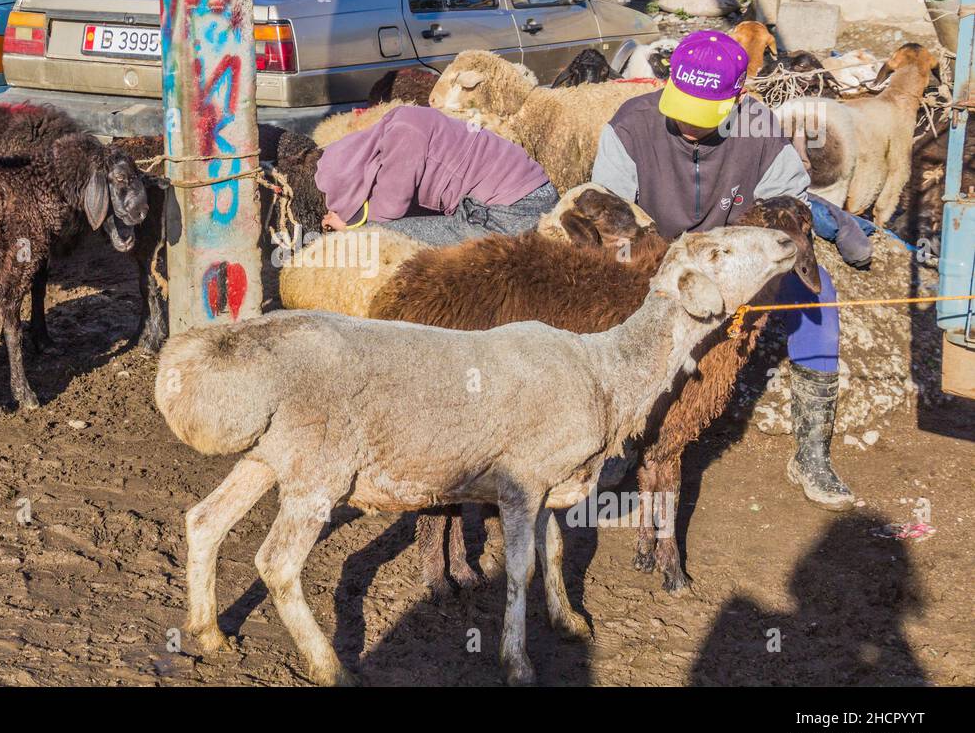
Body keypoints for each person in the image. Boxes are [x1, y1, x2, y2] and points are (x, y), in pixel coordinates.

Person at [590, 30, 856, 511]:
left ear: (737, 97)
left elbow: (785, 202)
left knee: (815, 298)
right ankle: (625, 438)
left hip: (738, 251)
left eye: (704, 111)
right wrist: (643, 262)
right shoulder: (632, 124)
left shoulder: (759, 129)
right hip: (659, 252)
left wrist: (754, 255)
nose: (689, 123)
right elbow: (611, 210)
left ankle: (811, 453)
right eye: (682, 104)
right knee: (617, 303)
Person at [314, 106, 558, 245]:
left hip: (517, 210)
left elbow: (389, 216)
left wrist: (352, 230)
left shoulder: (403, 137)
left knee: (404, 240)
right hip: (530, 192)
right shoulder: (399, 121)